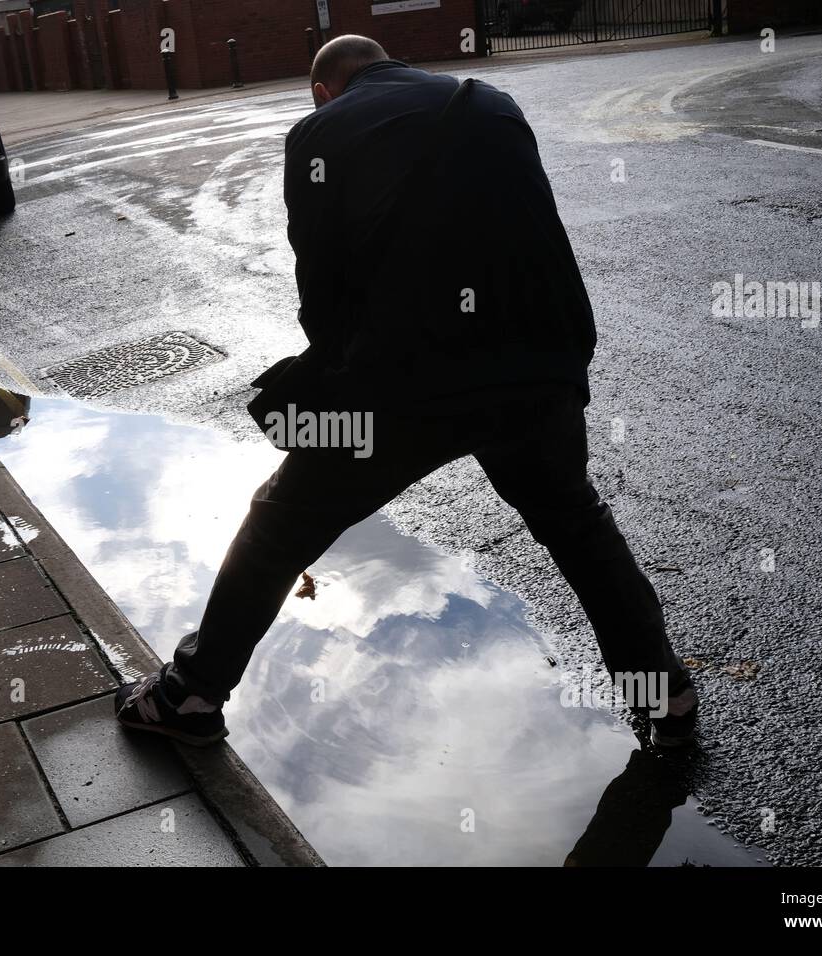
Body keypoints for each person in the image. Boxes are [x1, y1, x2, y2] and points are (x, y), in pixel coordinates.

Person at [115, 35, 697, 748]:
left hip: (407, 381)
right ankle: (663, 697)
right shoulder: (493, 103)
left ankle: (191, 697)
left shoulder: (320, 132)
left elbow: (322, 289)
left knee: (275, 524)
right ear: (388, 63)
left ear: (324, 89)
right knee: (576, 525)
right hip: (539, 362)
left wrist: (326, 383)